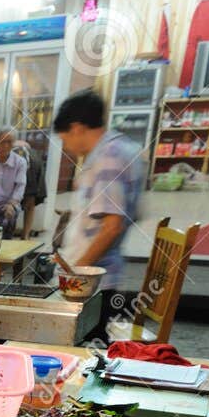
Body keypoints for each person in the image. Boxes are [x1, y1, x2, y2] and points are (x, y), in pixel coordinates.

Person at [53, 90, 143, 339]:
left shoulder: (108, 158)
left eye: (64, 139)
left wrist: (75, 274)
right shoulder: (122, 148)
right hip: (99, 278)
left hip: (94, 285)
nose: (67, 147)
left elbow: (112, 226)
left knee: (80, 354)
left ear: (76, 128)